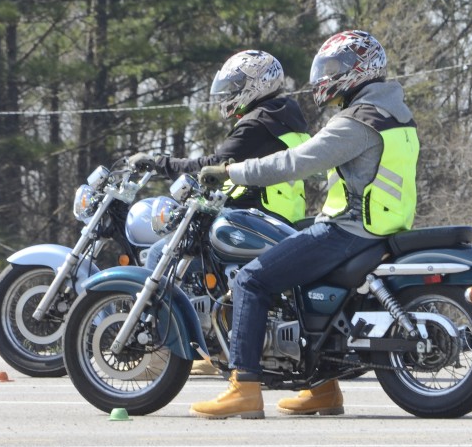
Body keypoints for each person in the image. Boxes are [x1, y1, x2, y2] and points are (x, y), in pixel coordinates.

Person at [188, 30, 418, 418]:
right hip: (380, 225)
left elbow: (294, 162)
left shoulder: (358, 120)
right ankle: (323, 389)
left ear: (358, 70)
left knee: (251, 280)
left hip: (349, 229)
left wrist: (231, 172)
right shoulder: (394, 112)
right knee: (299, 290)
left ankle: (243, 386)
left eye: (333, 68)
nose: (324, 77)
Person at [127, 49, 310, 376]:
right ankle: (206, 346)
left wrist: (159, 164)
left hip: (255, 217)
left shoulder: (259, 123)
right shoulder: (285, 116)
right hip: (276, 216)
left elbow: (211, 166)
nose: (229, 94)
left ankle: (166, 354)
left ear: (257, 84)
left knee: (160, 255)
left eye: (237, 85)